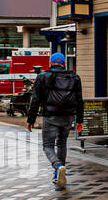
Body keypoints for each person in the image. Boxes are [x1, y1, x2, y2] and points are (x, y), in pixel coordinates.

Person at [26, 53, 82, 189]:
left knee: (48, 145)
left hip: (50, 115)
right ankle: (59, 172)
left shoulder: (43, 77)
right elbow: (79, 100)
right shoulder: (74, 77)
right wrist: (80, 119)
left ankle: (58, 167)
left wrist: (30, 119)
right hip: (68, 116)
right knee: (62, 143)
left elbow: (35, 100)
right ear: (63, 63)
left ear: (50, 63)